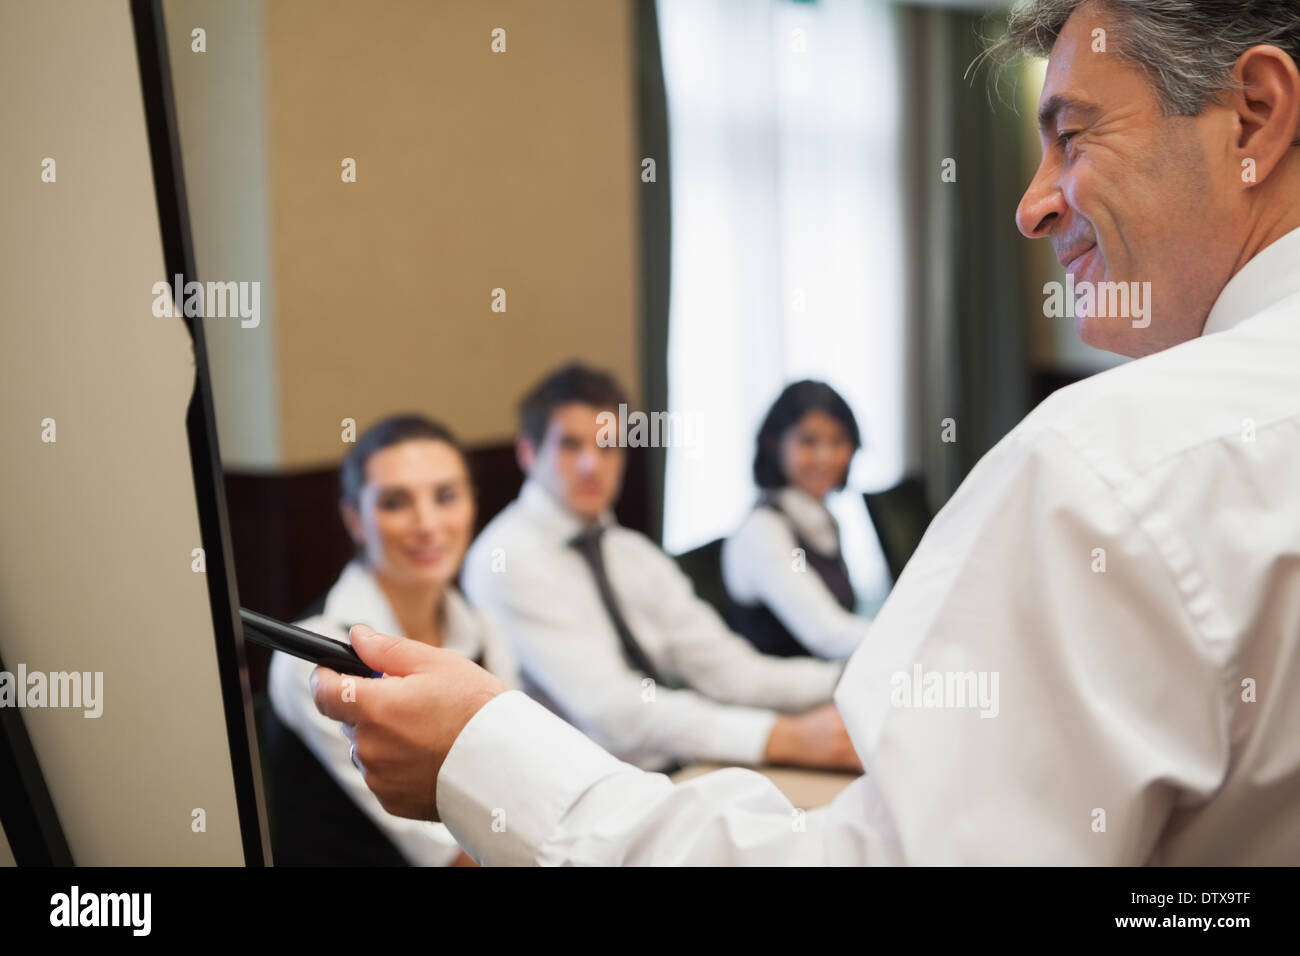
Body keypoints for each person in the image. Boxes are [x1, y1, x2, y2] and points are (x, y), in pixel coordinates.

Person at [313, 0, 1300, 864]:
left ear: (1254, 113)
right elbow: (631, 703)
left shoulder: (1110, 462)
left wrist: (485, 756)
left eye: (1072, 135)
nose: (1030, 203)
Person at [460, 362, 859, 774]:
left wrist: (849, 679)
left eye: (607, 446)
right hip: (587, 794)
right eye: (570, 446)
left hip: (680, 767)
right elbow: (610, 707)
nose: (591, 465)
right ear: (528, 452)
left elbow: (729, 670)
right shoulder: (506, 558)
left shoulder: (631, 552)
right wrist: (781, 737)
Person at [265, 414, 518, 866]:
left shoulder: (481, 626)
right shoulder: (316, 657)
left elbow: (516, 777)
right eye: (395, 503)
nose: (428, 524)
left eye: (446, 496)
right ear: (355, 519)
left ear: (472, 505)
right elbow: (450, 856)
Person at [722, 380, 877, 659]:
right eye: (808, 441)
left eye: (838, 441)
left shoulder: (821, 517)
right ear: (774, 443)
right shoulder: (762, 531)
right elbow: (827, 635)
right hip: (788, 696)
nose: (825, 457)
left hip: (829, 685)